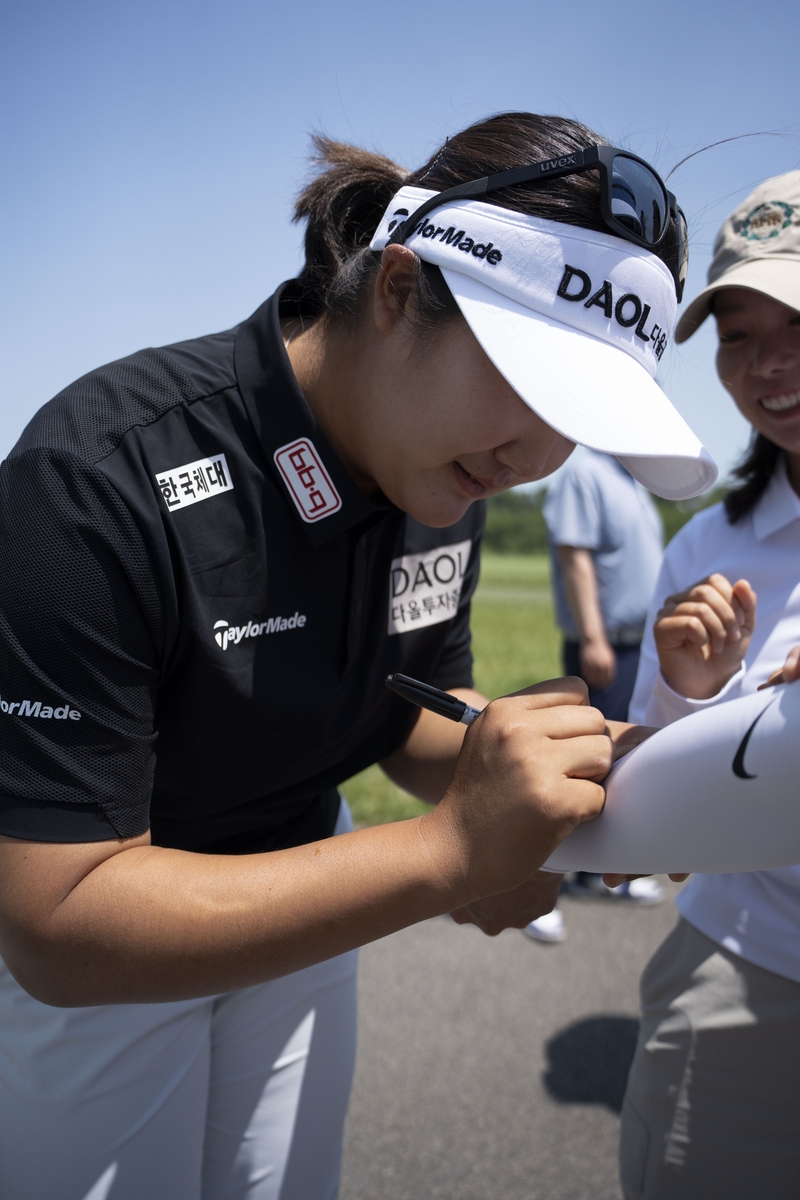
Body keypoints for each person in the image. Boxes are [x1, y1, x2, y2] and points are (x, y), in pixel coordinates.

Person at [0, 113, 712, 1200]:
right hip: (115, 956)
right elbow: (56, 924)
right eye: (526, 383)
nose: (536, 455)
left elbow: (405, 711)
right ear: (393, 290)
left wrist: (581, 780)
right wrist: (448, 856)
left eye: (579, 416)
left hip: (309, 895)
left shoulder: (452, 466)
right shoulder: (97, 477)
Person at [618, 170, 800, 1199]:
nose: (765, 364)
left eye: (795, 322)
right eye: (734, 334)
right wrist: (691, 696)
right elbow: (662, 834)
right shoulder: (709, 548)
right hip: (749, 970)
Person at [525, 448, 665, 942]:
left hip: (634, 644)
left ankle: (599, 874)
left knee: (620, 767)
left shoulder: (628, 475)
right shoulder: (583, 471)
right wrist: (593, 636)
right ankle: (539, 889)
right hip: (605, 644)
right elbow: (574, 554)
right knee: (587, 762)